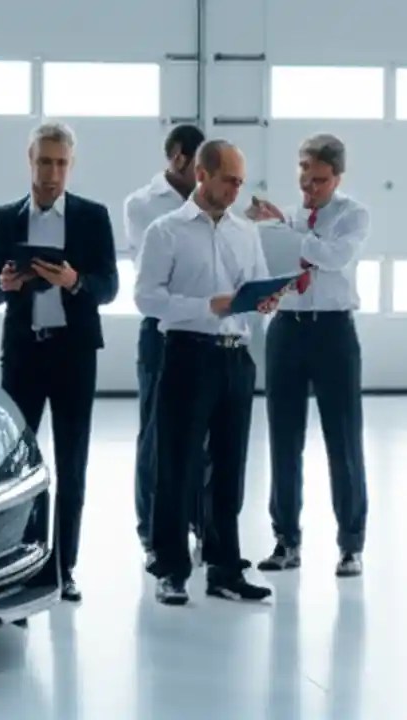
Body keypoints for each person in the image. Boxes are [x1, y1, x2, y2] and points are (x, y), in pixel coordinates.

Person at [134, 139, 283, 606]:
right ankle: (171, 569)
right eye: (230, 180)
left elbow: (254, 288)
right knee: (175, 466)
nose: (237, 189)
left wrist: (265, 302)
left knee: (229, 468)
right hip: (186, 354)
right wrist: (207, 306)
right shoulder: (166, 231)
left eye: (240, 181)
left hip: (235, 358)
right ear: (202, 175)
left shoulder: (245, 232)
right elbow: (147, 298)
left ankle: (224, 568)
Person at [0, 121, 119, 602]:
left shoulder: (92, 216)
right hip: (23, 354)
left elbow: (109, 286)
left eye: (60, 162)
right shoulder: (6, 217)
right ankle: (16, 561)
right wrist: (4, 285)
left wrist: (76, 281)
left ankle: (64, 567)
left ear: (70, 165)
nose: (52, 172)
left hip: (74, 354)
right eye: (44, 161)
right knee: (15, 466)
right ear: (30, 161)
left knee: (72, 463)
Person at [247, 133, 369, 578]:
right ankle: (285, 541)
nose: (308, 186)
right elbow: (269, 268)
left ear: (337, 177)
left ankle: (351, 546)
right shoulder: (287, 217)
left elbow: (334, 257)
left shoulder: (352, 215)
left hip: (334, 332)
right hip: (287, 332)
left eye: (319, 179)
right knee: (283, 439)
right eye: (303, 173)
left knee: (344, 442)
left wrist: (288, 231)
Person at [122, 123, 207, 566]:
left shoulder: (208, 203)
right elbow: (156, 273)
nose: (205, 176)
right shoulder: (142, 205)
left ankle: (197, 524)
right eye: (200, 165)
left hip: (203, 331)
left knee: (202, 434)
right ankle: (151, 531)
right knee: (156, 433)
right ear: (177, 158)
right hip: (160, 330)